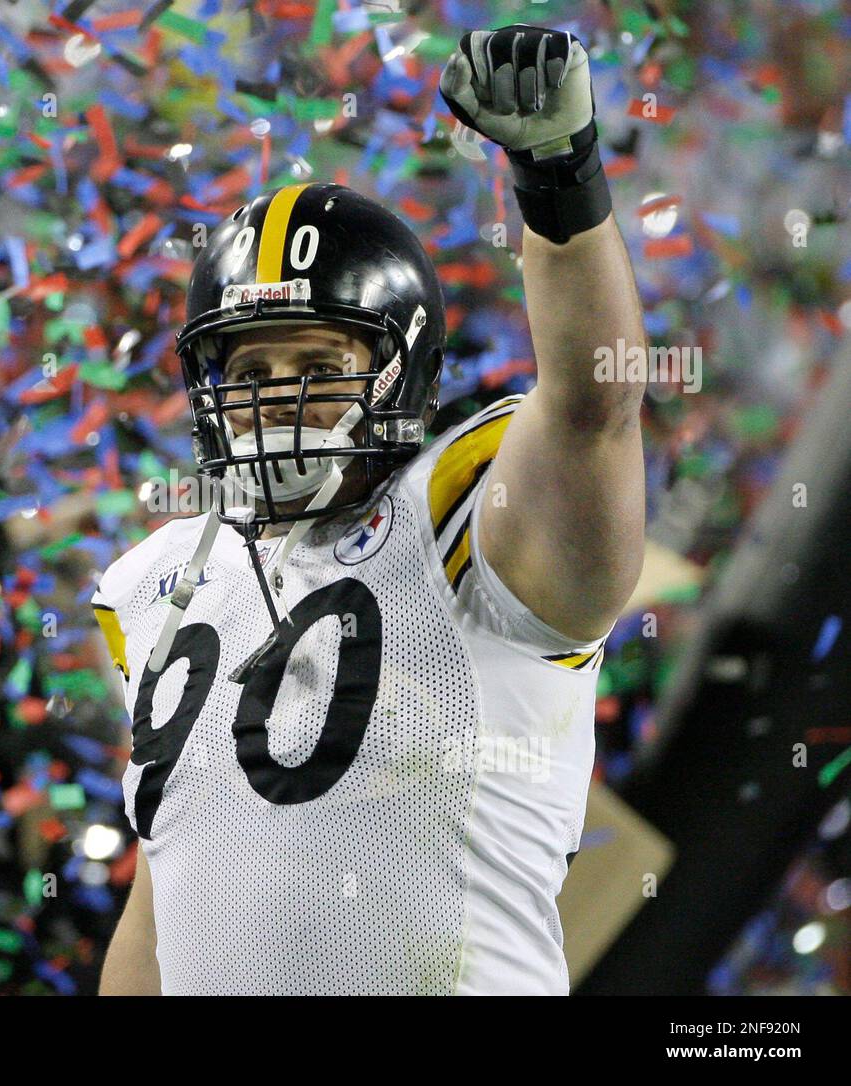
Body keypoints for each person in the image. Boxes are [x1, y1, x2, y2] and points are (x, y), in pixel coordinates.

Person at [94, 24, 646, 994]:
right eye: (250, 369)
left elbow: (595, 404)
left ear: (403, 377)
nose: (275, 399)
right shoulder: (156, 583)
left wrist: (559, 177)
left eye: (317, 365)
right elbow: (169, 888)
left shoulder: (468, 527)